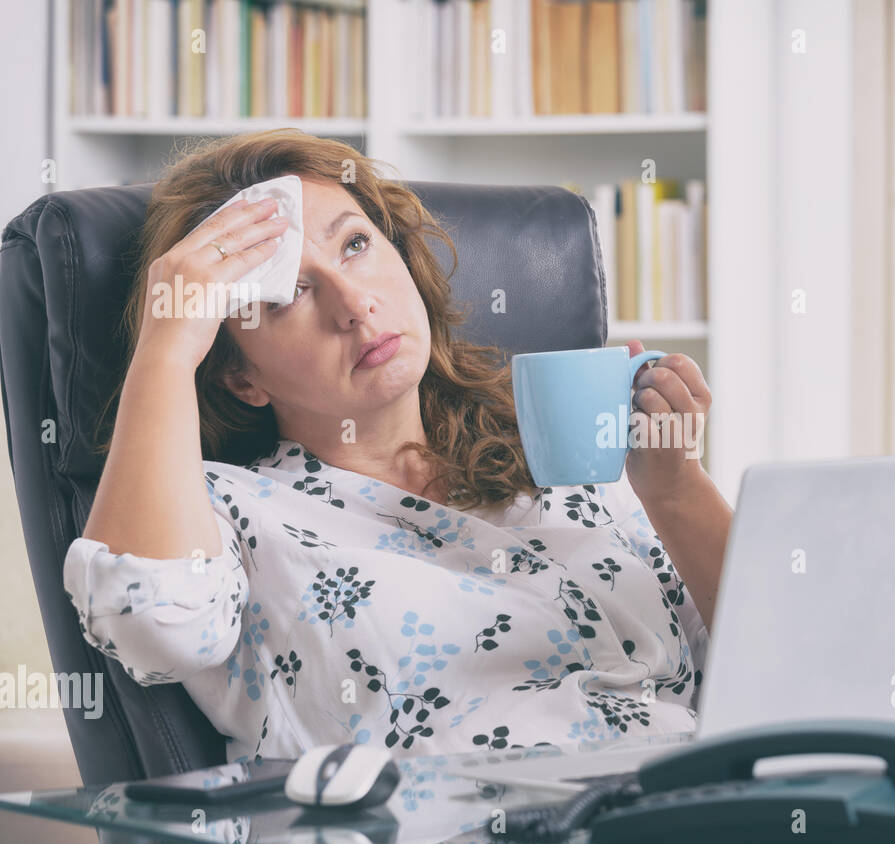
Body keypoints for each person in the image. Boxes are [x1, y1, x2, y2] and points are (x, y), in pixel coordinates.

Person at [62, 129, 732, 766]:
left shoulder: (567, 454)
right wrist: (167, 347)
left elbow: (777, 656)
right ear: (242, 375)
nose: (354, 304)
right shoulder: (228, 512)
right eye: (289, 294)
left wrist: (676, 491)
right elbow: (152, 624)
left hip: (696, 811)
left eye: (354, 244)